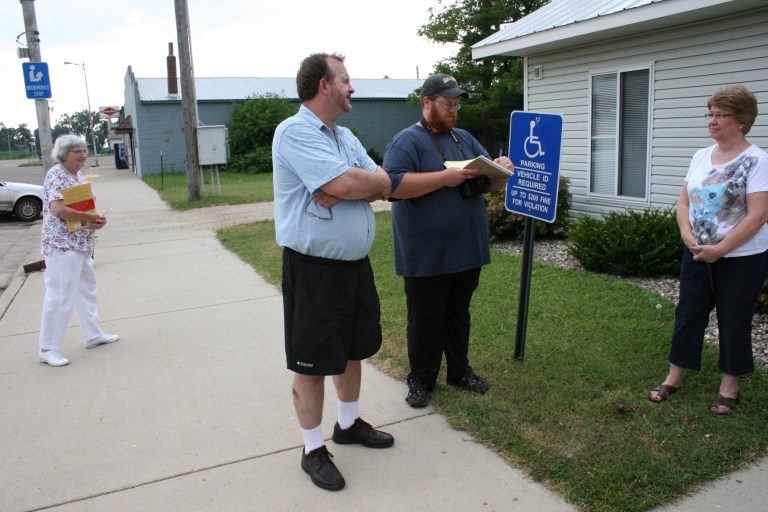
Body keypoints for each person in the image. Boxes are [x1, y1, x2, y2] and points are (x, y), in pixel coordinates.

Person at [272, 52, 394, 491]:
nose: (351, 88)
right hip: (314, 269)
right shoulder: (294, 132)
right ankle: (312, 449)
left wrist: (358, 184)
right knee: (312, 361)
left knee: (350, 350)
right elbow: (349, 184)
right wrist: (349, 185)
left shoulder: (342, 137)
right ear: (324, 85)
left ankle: (348, 424)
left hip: (353, 267)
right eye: (345, 79)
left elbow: (383, 180)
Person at [382, 74, 513, 408]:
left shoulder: (464, 139)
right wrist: (445, 178)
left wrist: (502, 169)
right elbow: (392, 186)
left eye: (457, 104)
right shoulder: (406, 141)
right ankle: (420, 379)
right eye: (448, 104)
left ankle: (459, 371)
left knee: (458, 313)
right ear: (427, 102)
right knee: (425, 318)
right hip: (425, 252)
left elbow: (492, 184)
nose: (454, 110)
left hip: (466, 248)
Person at [649, 85, 768, 414]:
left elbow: (758, 215)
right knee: (688, 315)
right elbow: (684, 201)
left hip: (742, 258)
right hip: (698, 253)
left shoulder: (758, 161)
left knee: (733, 320)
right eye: (710, 114)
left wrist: (722, 249)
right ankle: (674, 376)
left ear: (741, 121)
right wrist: (687, 234)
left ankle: (729, 387)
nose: (712, 120)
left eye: (720, 115)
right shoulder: (701, 156)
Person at [38, 134, 119, 367]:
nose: (83, 155)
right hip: (62, 244)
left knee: (87, 289)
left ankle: (93, 334)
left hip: (81, 244)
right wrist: (87, 216)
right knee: (61, 294)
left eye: (84, 150)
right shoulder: (56, 174)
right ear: (64, 155)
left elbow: (85, 207)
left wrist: (95, 220)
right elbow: (57, 209)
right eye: (78, 152)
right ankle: (47, 348)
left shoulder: (78, 176)